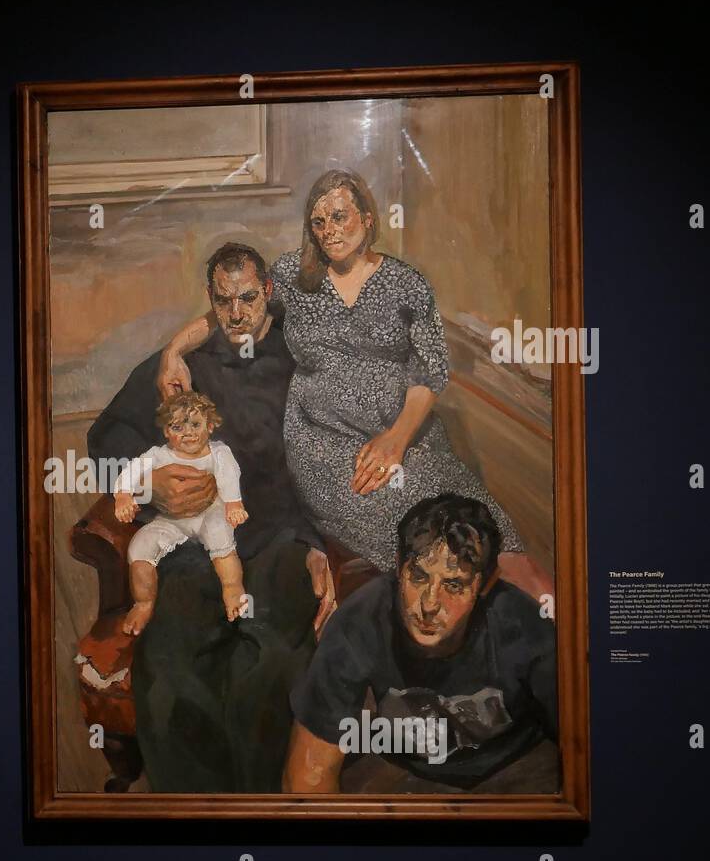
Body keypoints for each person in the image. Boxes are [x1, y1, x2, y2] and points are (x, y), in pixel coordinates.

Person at [158, 170, 551, 602]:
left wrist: (396, 440)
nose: (329, 231)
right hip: (323, 447)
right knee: (430, 543)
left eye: (339, 217)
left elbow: (430, 370)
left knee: (493, 537)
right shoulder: (293, 275)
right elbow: (233, 309)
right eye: (319, 222)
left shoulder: (407, 283)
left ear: (366, 218)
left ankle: (556, 640)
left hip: (406, 439)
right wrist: (173, 351)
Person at [87, 243, 327, 793]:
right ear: (209, 303)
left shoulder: (303, 350)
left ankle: (263, 813)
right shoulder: (184, 364)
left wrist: (317, 542)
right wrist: (151, 485)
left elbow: (332, 456)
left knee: (267, 662)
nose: (236, 314)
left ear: (268, 291)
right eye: (223, 303)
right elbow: (106, 438)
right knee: (172, 662)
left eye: (247, 298)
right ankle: (195, 816)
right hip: (191, 539)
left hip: (277, 534)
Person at [283, 493, 558, 793]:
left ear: (486, 585)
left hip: (517, 769)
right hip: (405, 773)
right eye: (418, 576)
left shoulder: (525, 627)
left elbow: (586, 749)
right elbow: (309, 775)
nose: (429, 604)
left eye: (454, 585)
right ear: (399, 567)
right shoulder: (360, 621)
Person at [114, 391, 249, 631]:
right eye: (178, 427)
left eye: (196, 424)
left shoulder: (219, 453)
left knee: (220, 533)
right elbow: (132, 471)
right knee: (139, 547)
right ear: (166, 431)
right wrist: (123, 496)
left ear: (210, 426)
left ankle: (232, 588)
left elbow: (229, 475)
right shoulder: (158, 455)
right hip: (172, 519)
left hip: (210, 513)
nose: (188, 432)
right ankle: (144, 603)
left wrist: (233, 503)